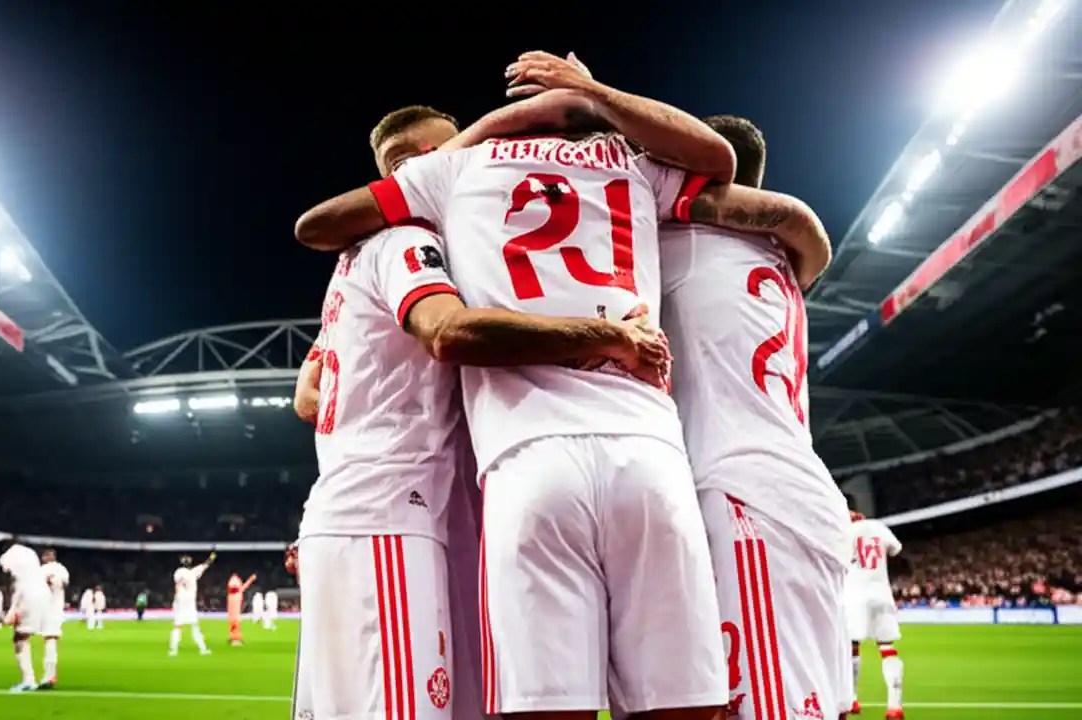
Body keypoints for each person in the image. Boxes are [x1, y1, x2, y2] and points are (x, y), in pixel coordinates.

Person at [294, 49, 846, 718]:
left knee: (541, 704)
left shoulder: (453, 180)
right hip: (655, 456)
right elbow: (732, 174)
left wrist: (461, 150)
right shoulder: (635, 171)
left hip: (524, 463)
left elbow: (318, 230)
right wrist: (589, 91)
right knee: (688, 703)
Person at [292, 90, 683, 720]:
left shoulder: (359, 262)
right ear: (419, 166)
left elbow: (308, 398)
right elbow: (450, 333)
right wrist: (607, 336)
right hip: (392, 511)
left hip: (386, 510)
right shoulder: (406, 246)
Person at [657, 114, 849, 720]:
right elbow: (805, 230)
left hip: (747, 499)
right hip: (786, 492)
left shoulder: (685, 243)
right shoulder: (776, 258)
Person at [847, 511, 905, 719]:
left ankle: (852, 699)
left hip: (855, 596)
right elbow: (896, 550)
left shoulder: (847, 531)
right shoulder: (879, 526)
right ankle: (894, 707)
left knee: (852, 647)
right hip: (881, 593)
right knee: (887, 648)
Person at [0, 539, 52, 692]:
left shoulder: (7, 556)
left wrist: (11, 609)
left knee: (20, 637)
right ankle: (29, 679)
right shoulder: (31, 553)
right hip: (44, 593)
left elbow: (14, 581)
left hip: (27, 594)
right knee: (25, 635)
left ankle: (28, 680)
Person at [170, 553, 215, 656]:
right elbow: (206, 564)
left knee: (177, 626)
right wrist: (212, 556)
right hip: (189, 602)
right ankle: (203, 649)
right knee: (195, 626)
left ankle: (173, 650)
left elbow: (177, 584)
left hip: (180, 601)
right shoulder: (193, 572)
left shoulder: (178, 572)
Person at [40, 548, 71, 689]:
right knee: (50, 640)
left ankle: (49, 675)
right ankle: (50, 674)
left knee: (49, 639)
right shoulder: (62, 569)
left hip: (48, 608)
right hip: (56, 608)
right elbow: (65, 583)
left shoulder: (42, 570)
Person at [225, 572, 256, 646]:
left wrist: (251, 579)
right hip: (234, 603)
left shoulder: (234, 585)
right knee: (235, 620)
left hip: (234, 603)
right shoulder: (235, 584)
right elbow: (241, 587)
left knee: (234, 620)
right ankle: (235, 638)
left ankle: (234, 637)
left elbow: (242, 587)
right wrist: (251, 579)